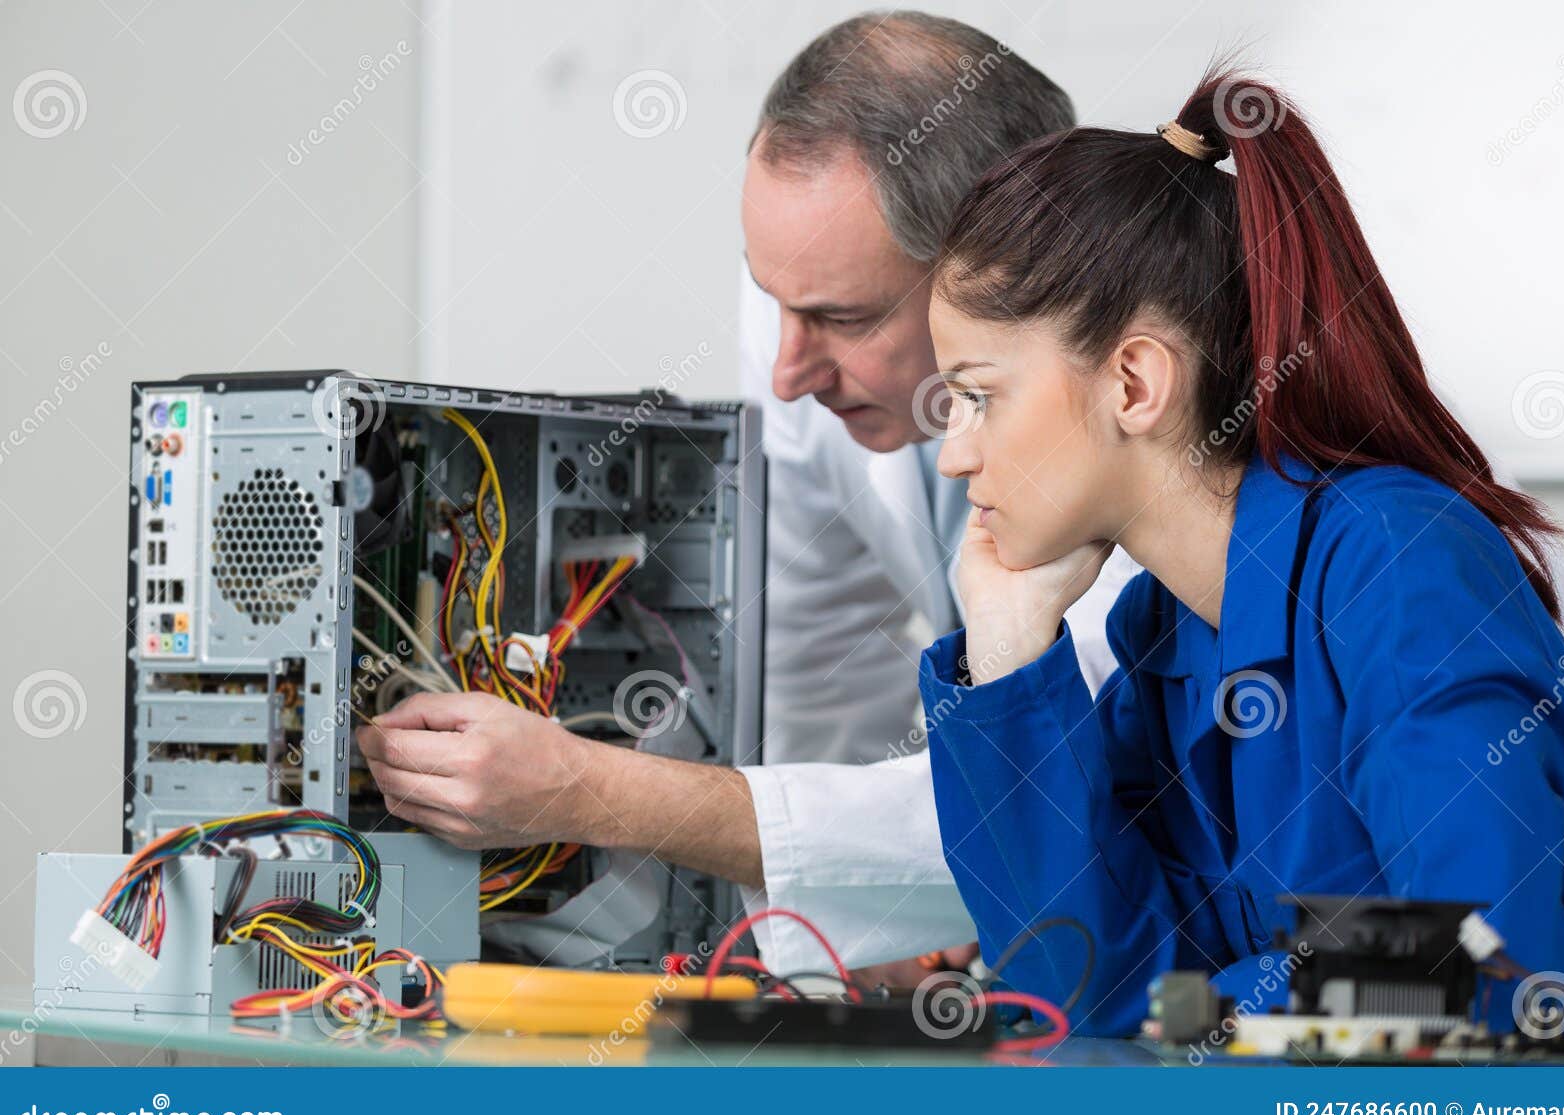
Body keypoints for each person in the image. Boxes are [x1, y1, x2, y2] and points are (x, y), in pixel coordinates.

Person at [356, 13, 1140, 976]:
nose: (785, 371)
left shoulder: (1140, 434)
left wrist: (587, 787)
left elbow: (1059, 782)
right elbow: (813, 702)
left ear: (1000, 269)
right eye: (773, 300)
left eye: (838, 318)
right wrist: (835, 945)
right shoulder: (816, 304)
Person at [916, 68, 1564, 1035]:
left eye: (978, 395)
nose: (955, 454)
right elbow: (1077, 993)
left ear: (1134, 383)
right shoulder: (1166, 628)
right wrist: (1008, 649)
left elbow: (1483, 977)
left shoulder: (1403, 569)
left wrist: (1188, 1018)